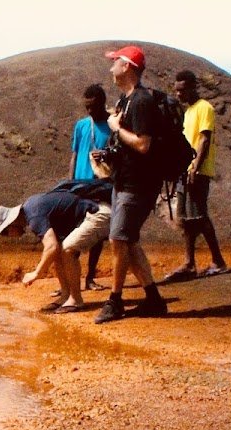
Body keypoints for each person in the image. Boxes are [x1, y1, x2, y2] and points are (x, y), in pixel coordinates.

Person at [94, 45, 168, 324]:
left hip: (138, 184)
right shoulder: (126, 100)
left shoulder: (141, 102)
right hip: (124, 181)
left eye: (115, 62)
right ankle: (153, 299)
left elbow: (143, 144)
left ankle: (115, 301)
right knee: (130, 240)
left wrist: (116, 128)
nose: (111, 67)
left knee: (119, 239)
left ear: (127, 66)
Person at [0, 188, 111, 314]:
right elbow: (54, 248)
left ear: (11, 223)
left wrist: (36, 273)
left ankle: (76, 300)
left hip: (98, 214)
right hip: (93, 213)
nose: (7, 236)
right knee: (59, 253)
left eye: (5, 232)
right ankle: (65, 295)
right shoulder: (30, 210)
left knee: (67, 249)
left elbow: (51, 246)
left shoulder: (33, 216)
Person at [162, 70, 229, 283]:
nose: (178, 94)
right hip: (184, 170)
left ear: (193, 87)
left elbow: (204, 139)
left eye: (182, 90)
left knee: (199, 216)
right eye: (176, 90)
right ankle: (189, 263)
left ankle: (218, 261)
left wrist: (195, 167)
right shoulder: (188, 111)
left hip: (197, 171)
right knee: (186, 218)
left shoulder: (204, 108)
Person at [67, 83, 112, 292]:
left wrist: (105, 155)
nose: (90, 111)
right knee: (74, 230)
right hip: (79, 185)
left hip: (101, 185)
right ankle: (71, 279)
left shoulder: (112, 126)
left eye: (93, 106)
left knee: (97, 232)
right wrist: (70, 183)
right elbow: (74, 154)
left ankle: (90, 277)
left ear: (103, 103)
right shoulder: (81, 125)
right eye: (87, 107)